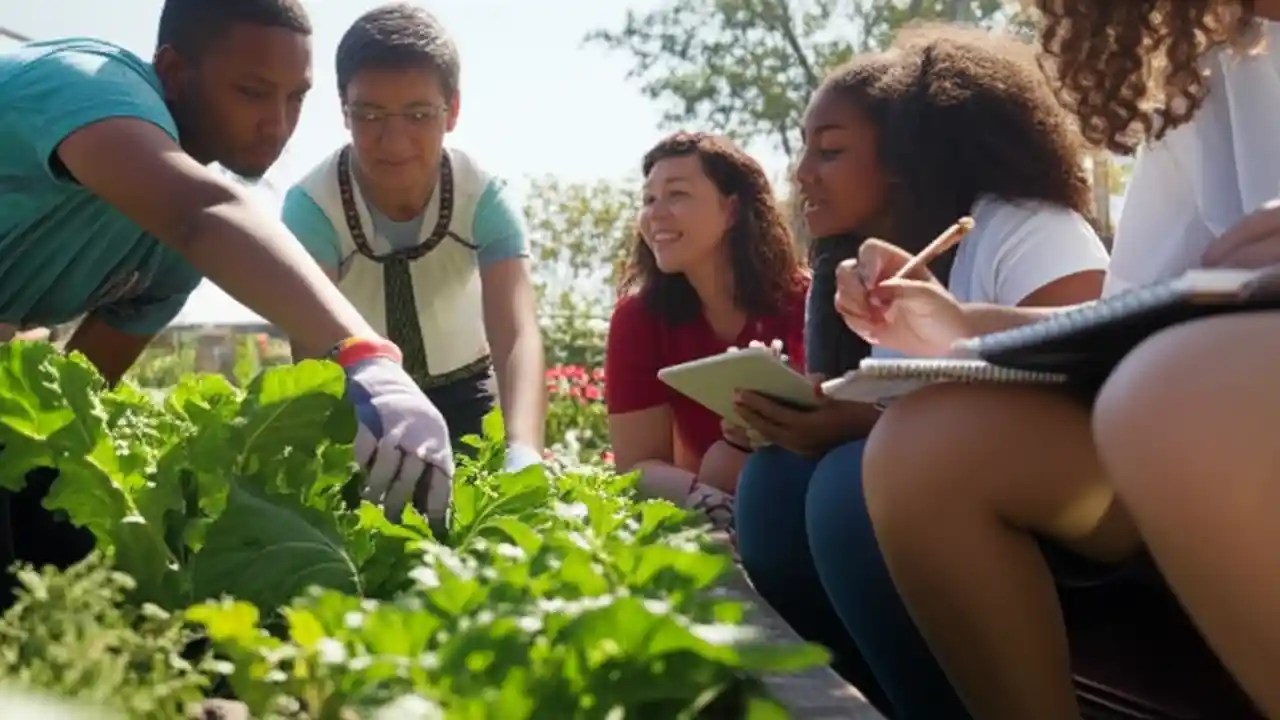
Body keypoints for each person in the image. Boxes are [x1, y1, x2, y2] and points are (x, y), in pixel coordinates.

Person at [841, 2, 1280, 718]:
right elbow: (1137, 307)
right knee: (931, 448)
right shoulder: (1204, 76)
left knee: (1177, 393)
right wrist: (959, 325)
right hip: (1188, 422)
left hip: (1212, 414)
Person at [0, 0, 454, 606]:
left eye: (296, 97)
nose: (278, 123)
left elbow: (69, 397)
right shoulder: (88, 85)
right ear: (173, 71)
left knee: (53, 543)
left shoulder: (170, 255)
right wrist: (367, 355)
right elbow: (201, 212)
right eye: (252, 92)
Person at [731, 25, 1111, 717]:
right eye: (804, 149)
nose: (801, 171)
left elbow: (1089, 377)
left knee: (848, 485)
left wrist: (859, 420)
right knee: (775, 484)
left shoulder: (1026, 227)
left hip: (1080, 494)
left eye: (832, 149)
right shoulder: (876, 264)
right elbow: (892, 407)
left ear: (905, 158)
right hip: (931, 484)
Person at [281, 3, 545, 471]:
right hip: (361, 396)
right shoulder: (312, 207)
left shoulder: (483, 198)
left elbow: (516, 332)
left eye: (419, 115)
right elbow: (311, 347)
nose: (395, 141)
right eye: (370, 115)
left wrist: (524, 449)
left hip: (469, 396)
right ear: (344, 110)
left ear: (453, 110)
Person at [604, 131, 808, 530]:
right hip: (706, 511)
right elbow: (637, 466)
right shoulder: (637, 319)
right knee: (722, 461)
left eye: (676, 194)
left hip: (807, 489)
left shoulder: (809, 302)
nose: (655, 214)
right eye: (648, 199)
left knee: (731, 459)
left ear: (732, 210)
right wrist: (715, 506)